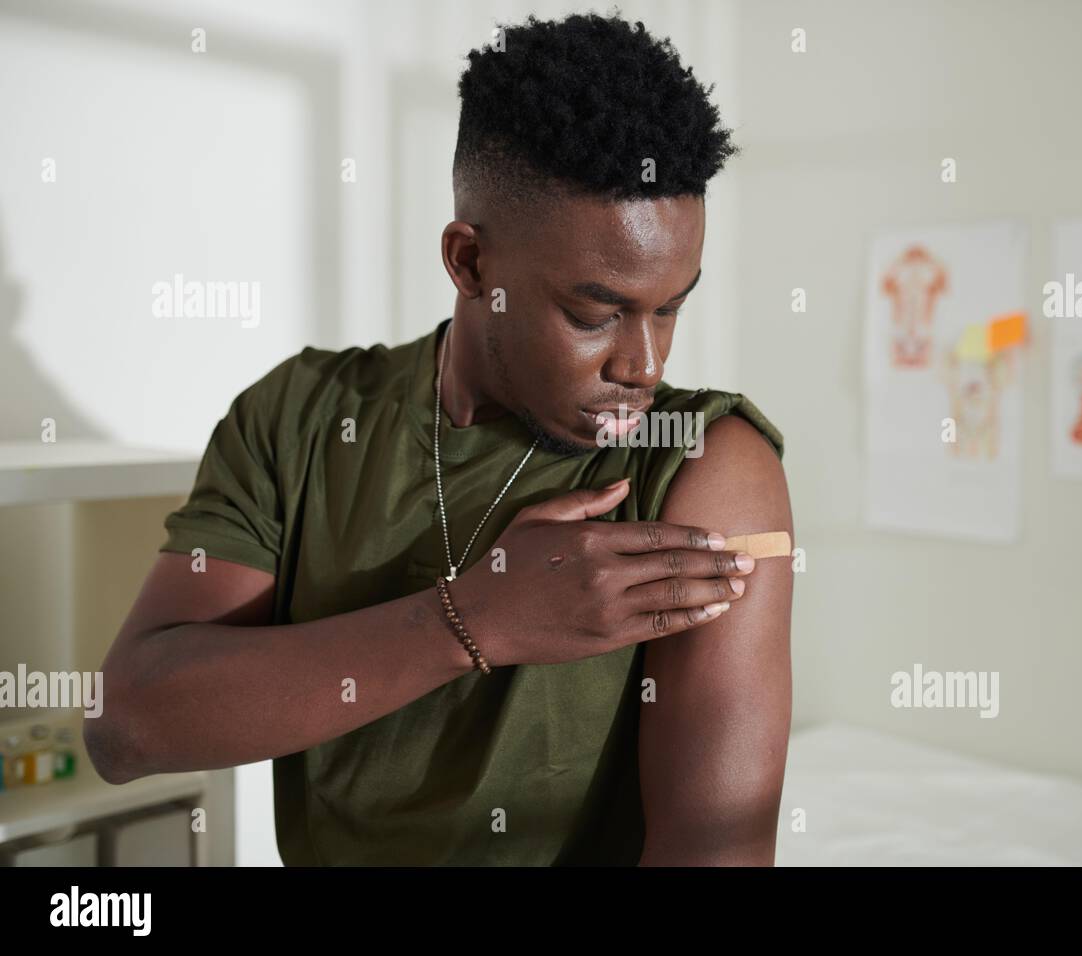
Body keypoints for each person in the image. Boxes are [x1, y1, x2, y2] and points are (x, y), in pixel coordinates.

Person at [84, 11, 793, 867]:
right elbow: (127, 727)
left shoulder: (708, 465)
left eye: (670, 307)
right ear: (470, 263)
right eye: (594, 313)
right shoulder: (301, 414)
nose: (642, 365)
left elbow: (715, 853)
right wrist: (477, 619)